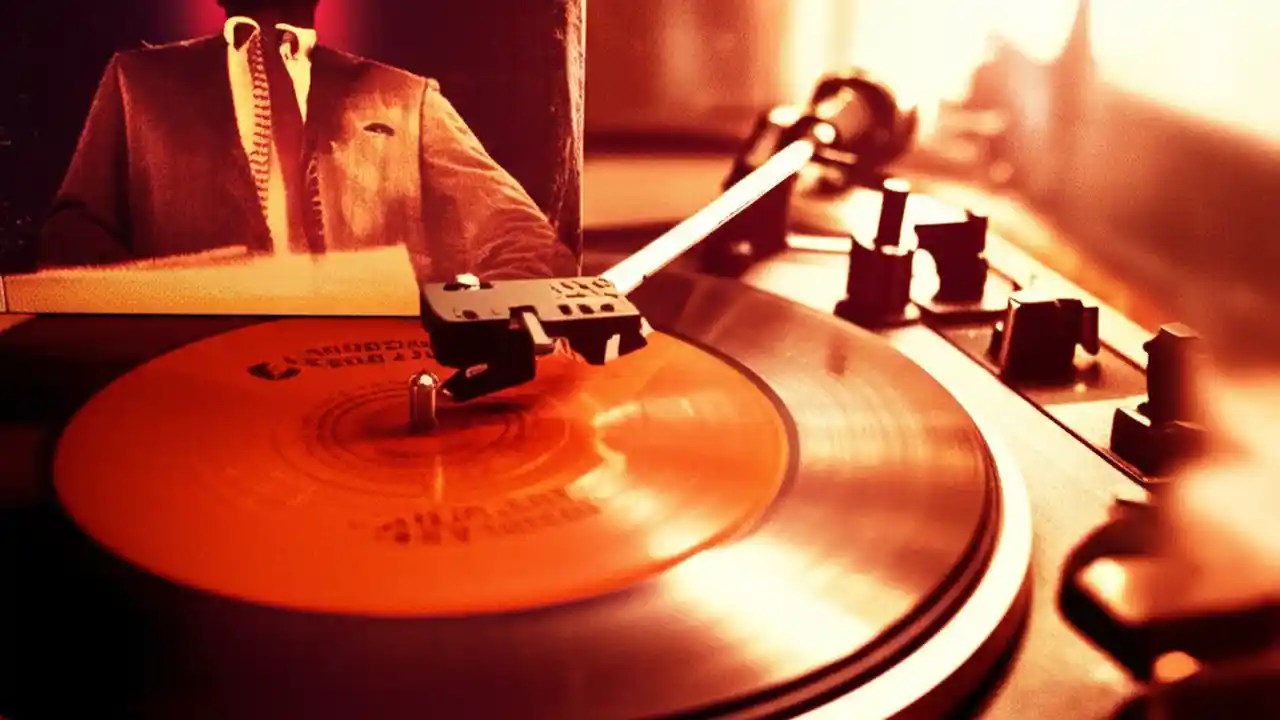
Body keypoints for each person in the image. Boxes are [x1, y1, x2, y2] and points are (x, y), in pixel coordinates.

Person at [36, 0, 578, 282]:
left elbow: (527, 243)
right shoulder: (138, 83)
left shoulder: (403, 99)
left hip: (362, 394)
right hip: (194, 392)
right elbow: (71, 232)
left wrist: (456, 326)